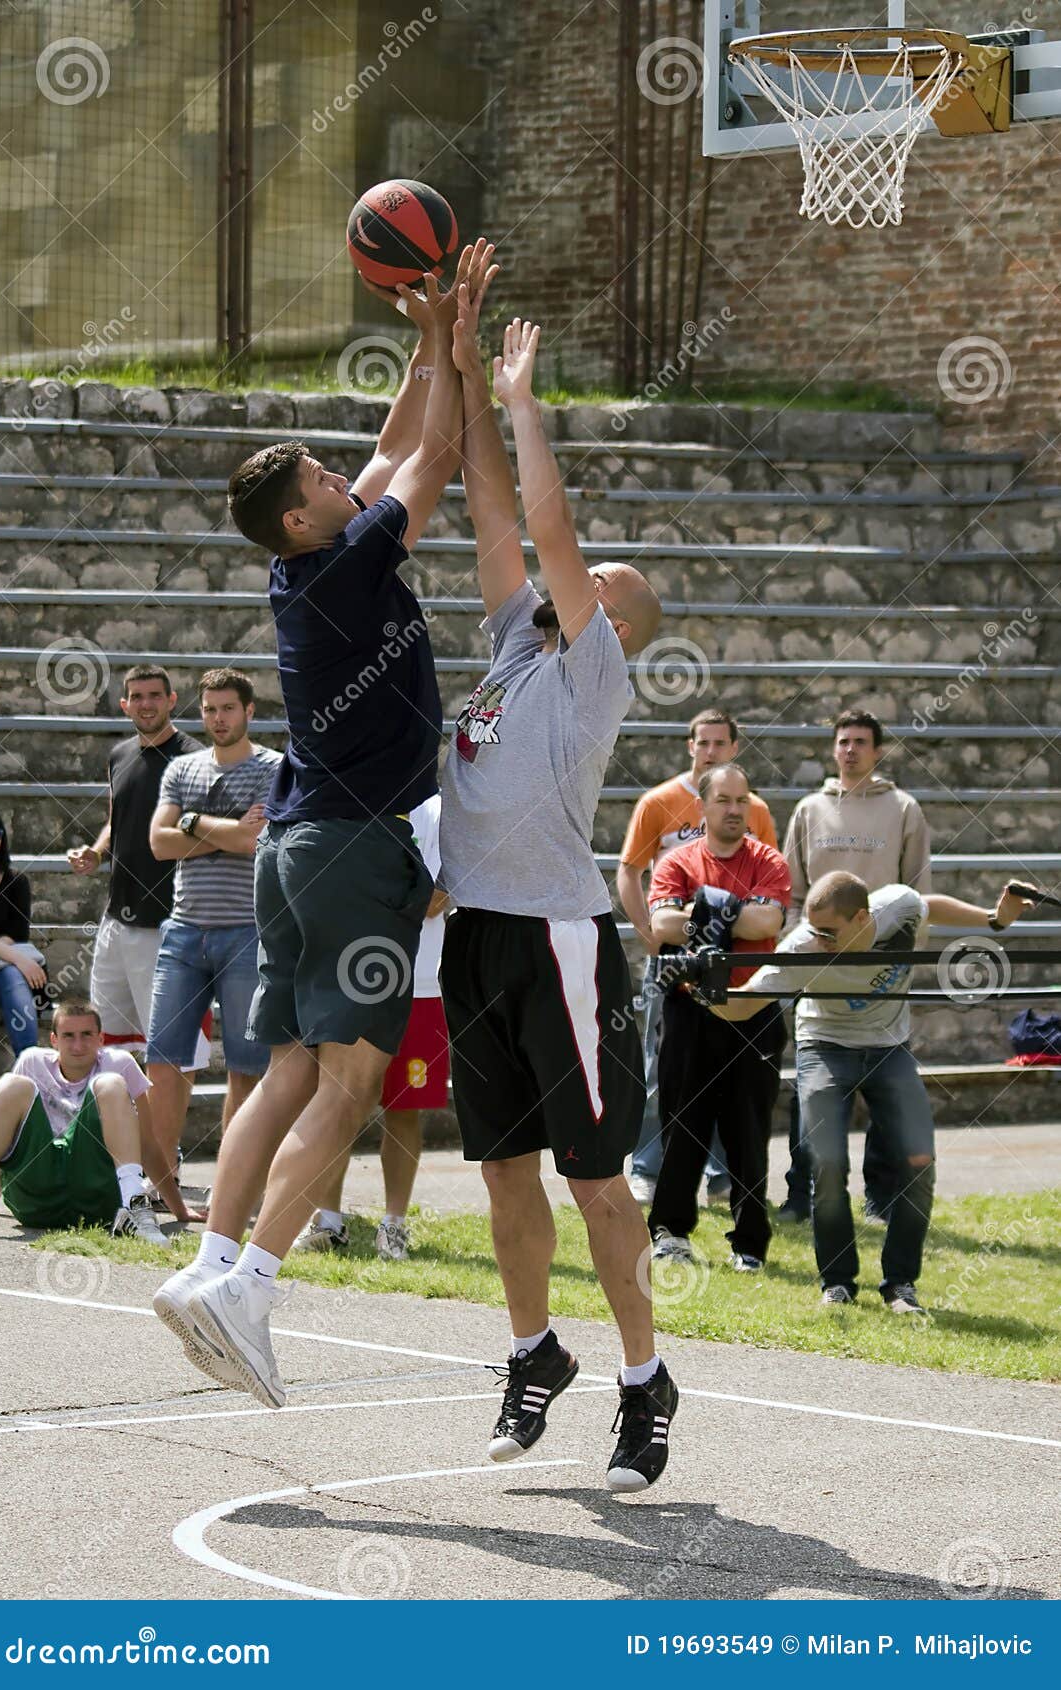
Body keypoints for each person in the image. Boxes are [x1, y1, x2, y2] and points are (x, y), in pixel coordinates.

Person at [152, 243, 493, 1408]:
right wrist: (457, 333)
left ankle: (203, 1266)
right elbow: (436, 450)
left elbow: (395, 442)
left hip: (296, 848)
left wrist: (420, 341)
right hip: (354, 845)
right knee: (348, 1085)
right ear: (304, 513)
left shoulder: (301, 560)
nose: (353, 477)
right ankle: (251, 1283)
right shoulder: (346, 558)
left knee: (284, 1068)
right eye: (329, 480)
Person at [439, 300, 676, 1493]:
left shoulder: (590, 673)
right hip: (478, 934)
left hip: (562, 943)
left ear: (614, 625)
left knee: (594, 1182)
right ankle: (535, 1353)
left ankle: (645, 1382)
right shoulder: (508, 650)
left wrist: (526, 401)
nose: (565, 577)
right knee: (501, 1172)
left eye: (595, 581)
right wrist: (465, 365)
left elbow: (543, 520)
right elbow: (492, 510)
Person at [705, 871, 1033, 1313]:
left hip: (888, 1047)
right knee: (827, 1162)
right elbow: (743, 1002)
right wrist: (700, 992)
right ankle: (837, 1283)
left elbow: (928, 904)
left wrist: (994, 920)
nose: (819, 938)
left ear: (863, 917)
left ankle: (900, 1285)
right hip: (824, 1045)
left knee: (919, 1161)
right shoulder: (801, 948)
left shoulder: (899, 907)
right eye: (815, 929)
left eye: (830, 931)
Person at [617, 708, 778, 1204]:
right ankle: (647, 1166)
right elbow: (629, 870)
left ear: (735, 748)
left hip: (732, 962)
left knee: (731, 1063)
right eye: (702, 742)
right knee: (659, 1064)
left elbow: (766, 886)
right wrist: (648, 930)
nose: (711, 751)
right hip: (674, 960)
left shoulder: (755, 810)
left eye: (720, 744)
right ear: (690, 746)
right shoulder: (659, 802)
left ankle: (721, 1175)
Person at [778, 709, 933, 1224]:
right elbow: (794, 894)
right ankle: (801, 1195)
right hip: (821, 965)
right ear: (833, 748)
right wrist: (797, 954)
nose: (850, 750)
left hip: (882, 970)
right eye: (843, 741)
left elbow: (918, 892)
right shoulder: (808, 810)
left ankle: (881, 1197)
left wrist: (900, 958)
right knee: (815, 1092)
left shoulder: (903, 808)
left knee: (886, 1090)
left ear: (878, 750)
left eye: (861, 742)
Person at [67, 663, 203, 1221]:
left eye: (155, 696)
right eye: (135, 697)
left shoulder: (195, 758)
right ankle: (121, 1164)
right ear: (123, 705)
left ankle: (163, 1164)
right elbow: (115, 816)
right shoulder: (120, 755)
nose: (145, 705)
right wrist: (97, 852)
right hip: (115, 925)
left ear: (172, 699)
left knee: (172, 1057)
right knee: (114, 1051)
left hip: (169, 926)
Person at [645, 763, 790, 1270]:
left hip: (753, 1008)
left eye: (741, 800)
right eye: (724, 800)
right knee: (681, 1123)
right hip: (689, 1010)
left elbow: (766, 920)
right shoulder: (676, 861)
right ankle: (671, 1233)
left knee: (748, 1130)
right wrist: (729, 913)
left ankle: (749, 1243)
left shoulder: (768, 861)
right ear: (702, 806)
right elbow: (662, 922)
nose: (734, 809)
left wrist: (702, 911)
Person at [295, 793, 450, 1261]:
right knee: (337, 1101)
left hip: (419, 983)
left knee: (404, 1109)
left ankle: (394, 1225)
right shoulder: (347, 796)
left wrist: (364, 893)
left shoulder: (440, 811)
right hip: (348, 981)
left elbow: (437, 899)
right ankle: (327, 1219)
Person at [146, 667, 279, 1178]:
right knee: (163, 1059)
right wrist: (222, 830)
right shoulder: (182, 769)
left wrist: (193, 824)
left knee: (247, 1067)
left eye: (227, 708)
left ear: (248, 711)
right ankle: (161, 1183)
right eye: (208, 709)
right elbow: (159, 844)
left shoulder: (274, 768)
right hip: (183, 930)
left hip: (248, 931)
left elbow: (256, 841)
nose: (217, 718)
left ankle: (234, 1180)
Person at [0, 997, 168, 1243]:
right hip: (36, 1198)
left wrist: (179, 1209)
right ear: (54, 1040)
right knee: (11, 1085)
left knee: (111, 1083)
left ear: (101, 1039)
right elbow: (8, 1138)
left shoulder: (119, 1063)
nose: (78, 1045)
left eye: (86, 1035)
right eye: (68, 1035)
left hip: (99, 1198)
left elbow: (147, 1143)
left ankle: (135, 1210)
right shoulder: (32, 1062)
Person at [0, 809, 42, 1062]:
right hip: (9, 958)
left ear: (2, 839)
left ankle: (30, 1073)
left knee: (18, 991)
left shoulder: (16, 880)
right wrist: (20, 959)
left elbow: (19, 930)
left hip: (1, 964)